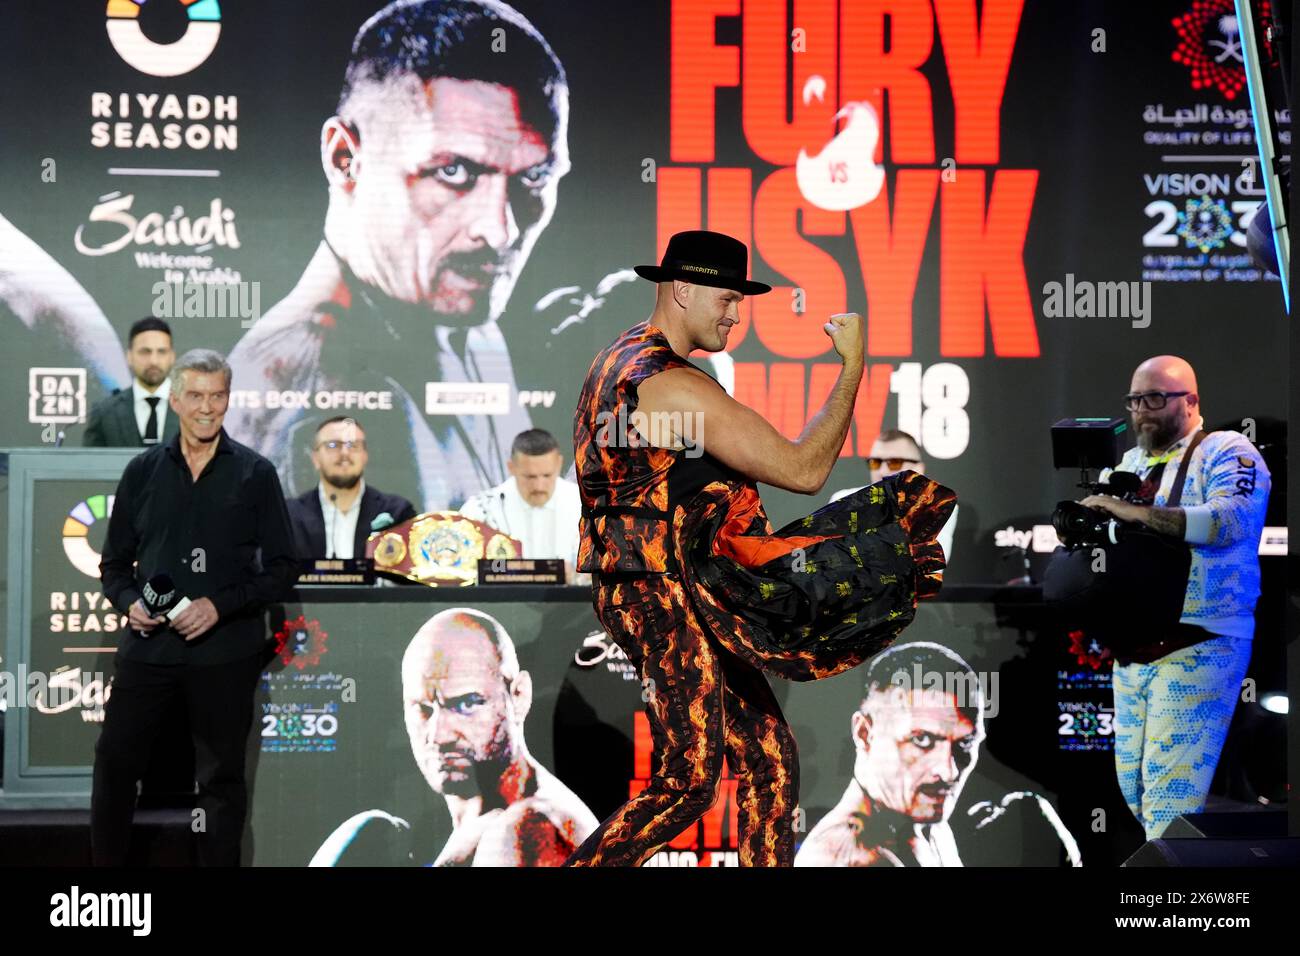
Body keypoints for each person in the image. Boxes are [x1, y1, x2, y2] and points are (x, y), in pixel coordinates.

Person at [564, 230, 955, 867]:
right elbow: (803, 470)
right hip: (658, 591)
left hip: (658, 584)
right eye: (726, 298)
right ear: (682, 289)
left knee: (770, 761)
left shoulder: (618, 358)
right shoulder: (673, 386)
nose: (735, 314)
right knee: (688, 782)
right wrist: (853, 366)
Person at [225, 0, 568, 509]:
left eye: (534, 177)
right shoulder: (295, 386)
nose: (499, 230)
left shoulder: (468, 328)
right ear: (345, 159)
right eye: (453, 172)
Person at [93, 349, 298, 866]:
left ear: (228, 400)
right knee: (115, 767)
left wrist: (218, 605)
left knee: (221, 782)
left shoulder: (255, 473)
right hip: (147, 652)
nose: (207, 408)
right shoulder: (142, 471)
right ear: (177, 400)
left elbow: (281, 568)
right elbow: (114, 564)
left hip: (224, 655)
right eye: (196, 396)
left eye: (218, 396)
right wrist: (129, 602)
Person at [1079, 355, 1270, 840]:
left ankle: (1173, 911)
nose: (1143, 410)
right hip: (1134, 646)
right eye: (1135, 399)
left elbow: (1229, 522)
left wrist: (1134, 513)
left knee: (1170, 800)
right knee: (1134, 791)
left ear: (1192, 401)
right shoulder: (1130, 463)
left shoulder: (1229, 450)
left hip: (1201, 639)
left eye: (1156, 398)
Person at [310, 608, 597, 866]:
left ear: (519, 696)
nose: (439, 735)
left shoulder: (524, 827)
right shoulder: (484, 830)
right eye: (422, 708)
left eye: (466, 703)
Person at [795, 642, 1080, 866]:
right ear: (864, 733)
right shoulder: (853, 859)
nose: (949, 772)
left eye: (965, 745)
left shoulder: (922, 823)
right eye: (922, 739)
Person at [284, 415, 417, 561]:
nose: (344, 453)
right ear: (315, 459)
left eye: (353, 445)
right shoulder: (288, 516)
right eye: (333, 445)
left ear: (365, 456)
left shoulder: (397, 513)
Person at [458, 428, 581, 571]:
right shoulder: (481, 511)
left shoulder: (584, 505)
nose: (539, 486)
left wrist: (578, 576)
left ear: (559, 464)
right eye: (530, 477)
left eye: (547, 476)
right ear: (511, 467)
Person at [829, 428, 958, 561]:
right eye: (876, 462)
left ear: (918, 470)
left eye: (895, 463)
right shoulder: (843, 500)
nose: (883, 472)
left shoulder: (939, 506)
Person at [83, 317, 179, 447]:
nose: (153, 361)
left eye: (161, 352)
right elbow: (90, 465)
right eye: (145, 352)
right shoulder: (105, 412)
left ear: (172, 357)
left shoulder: (192, 408)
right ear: (129, 356)